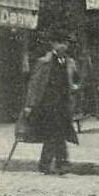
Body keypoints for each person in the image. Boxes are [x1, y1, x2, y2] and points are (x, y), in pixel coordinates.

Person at [23, 30, 79, 175]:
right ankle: (60, 163)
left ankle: (47, 164)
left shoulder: (70, 63)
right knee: (55, 133)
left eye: (66, 43)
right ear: (53, 44)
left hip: (63, 104)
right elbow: (34, 85)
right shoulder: (44, 62)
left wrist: (74, 88)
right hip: (47, 105)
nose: (64, 46)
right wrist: (30, 105)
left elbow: (74, 81)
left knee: (56, 134)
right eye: (61, 43)